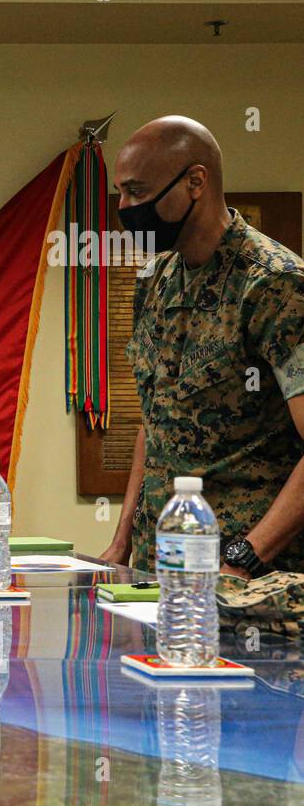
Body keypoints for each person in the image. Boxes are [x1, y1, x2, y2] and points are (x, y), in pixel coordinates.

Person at [100, 116, 304, 576]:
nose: (126, 207)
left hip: (246, 578)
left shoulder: (273, 284)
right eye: (121, 194)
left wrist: (247, 556)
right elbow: (155, 422)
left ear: (195, 181)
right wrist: (122, 541)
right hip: (159, 567)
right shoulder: (155, 281)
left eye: (137, 191)